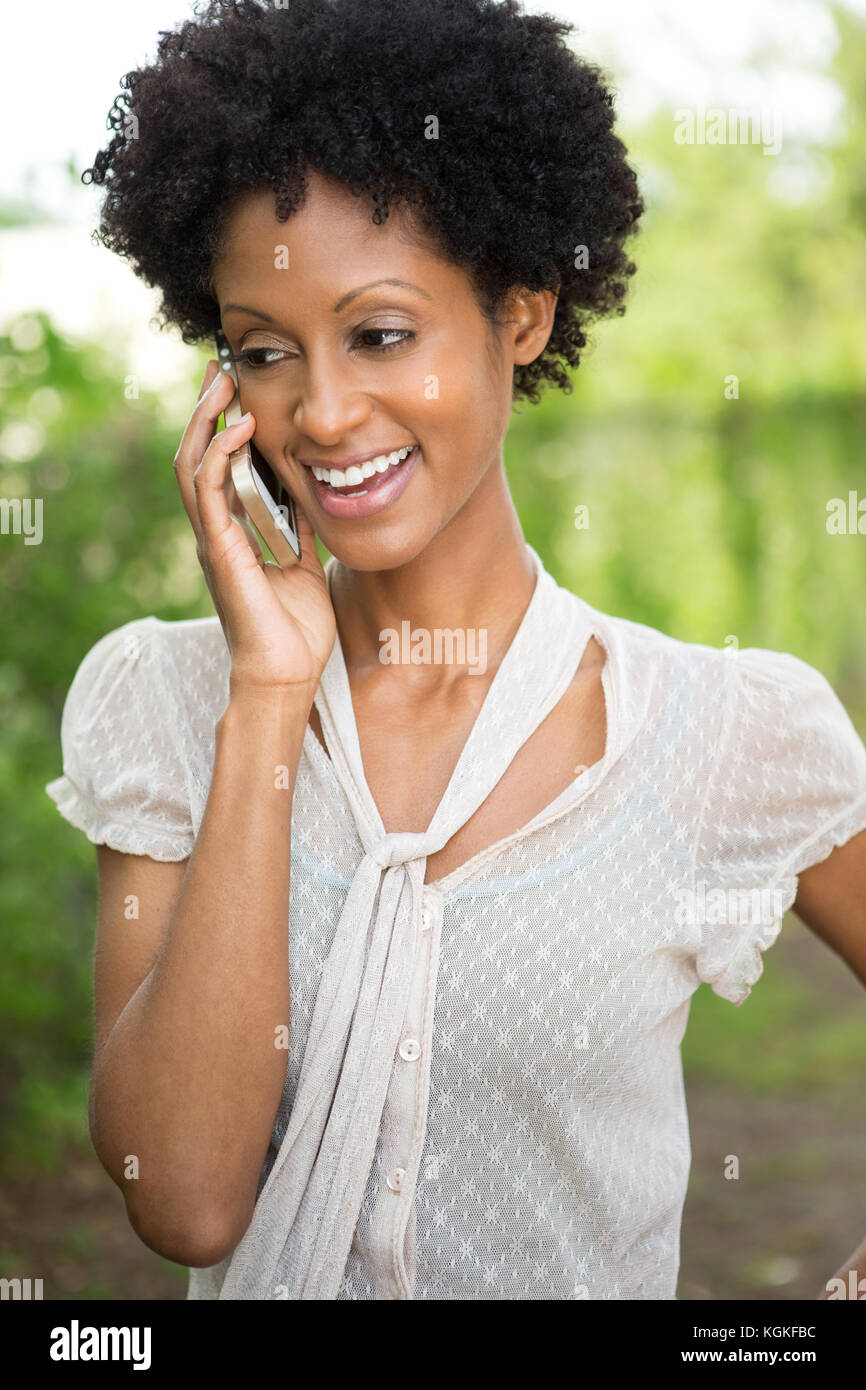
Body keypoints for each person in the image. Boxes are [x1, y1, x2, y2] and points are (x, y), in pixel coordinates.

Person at [46, 0, 866, 1300]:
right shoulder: (160, 697)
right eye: (262, 352)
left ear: (522, 314)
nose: (318, 412)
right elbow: (185, 1197)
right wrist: (265, 694)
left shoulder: (724, 726)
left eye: (380, 333)